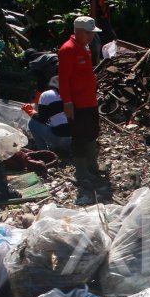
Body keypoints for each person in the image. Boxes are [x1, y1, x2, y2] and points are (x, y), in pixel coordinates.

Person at [59, 16, 110, 201]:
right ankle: (81, 171)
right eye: (88, 33)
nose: (90, 37)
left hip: (90, 101)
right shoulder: (67, 50)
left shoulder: (85, 48)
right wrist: (67, 102)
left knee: (92, 131)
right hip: (77, 103)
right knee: (79, 134)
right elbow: (64, 79)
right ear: (79, 31)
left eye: (91, 34)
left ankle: (92, 165)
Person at [30, 76, 72, 152]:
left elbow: (42, 120)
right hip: (75, 138)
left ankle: (44, 152)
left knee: (32, 123)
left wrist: (31, 112)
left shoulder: (46, 94)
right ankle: (65, 150)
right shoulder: (72, 93)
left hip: (60, 139)